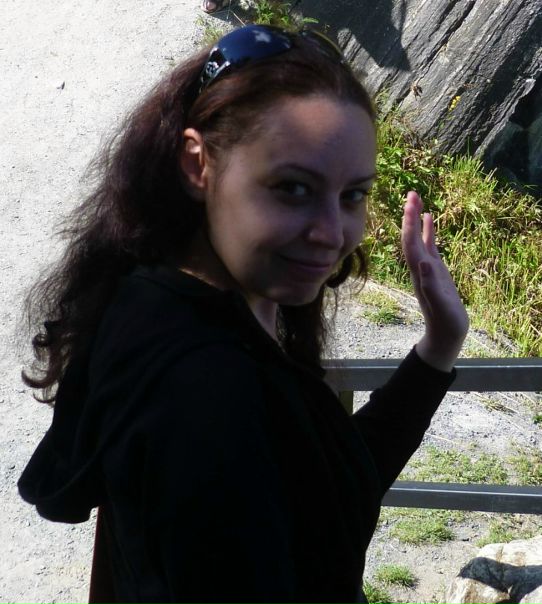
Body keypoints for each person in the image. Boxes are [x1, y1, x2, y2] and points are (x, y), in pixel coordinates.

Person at [18, 24, 469, 604]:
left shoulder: (165, 302)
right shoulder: (205, 389)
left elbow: (321, 497)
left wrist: (437, 348)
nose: (332, 234)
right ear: (197, 164)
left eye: (352, 195)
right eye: (292, 188)